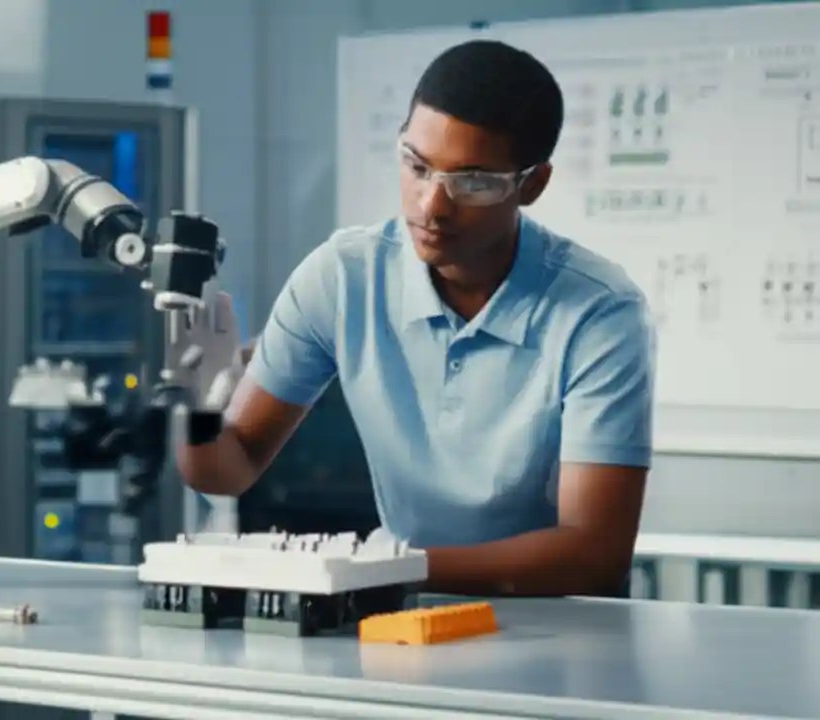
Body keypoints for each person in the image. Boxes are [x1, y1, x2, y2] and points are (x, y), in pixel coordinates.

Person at [175, 39, 656, 597]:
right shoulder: (342, 276)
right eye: (416, 165)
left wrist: (377, 567)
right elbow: (228, 471)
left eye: (472, 181)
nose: (432, 206)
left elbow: (593, 553)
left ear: (532, 184)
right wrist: (198, 411)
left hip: (560, 627)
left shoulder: (600, 313)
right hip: (401, 608)